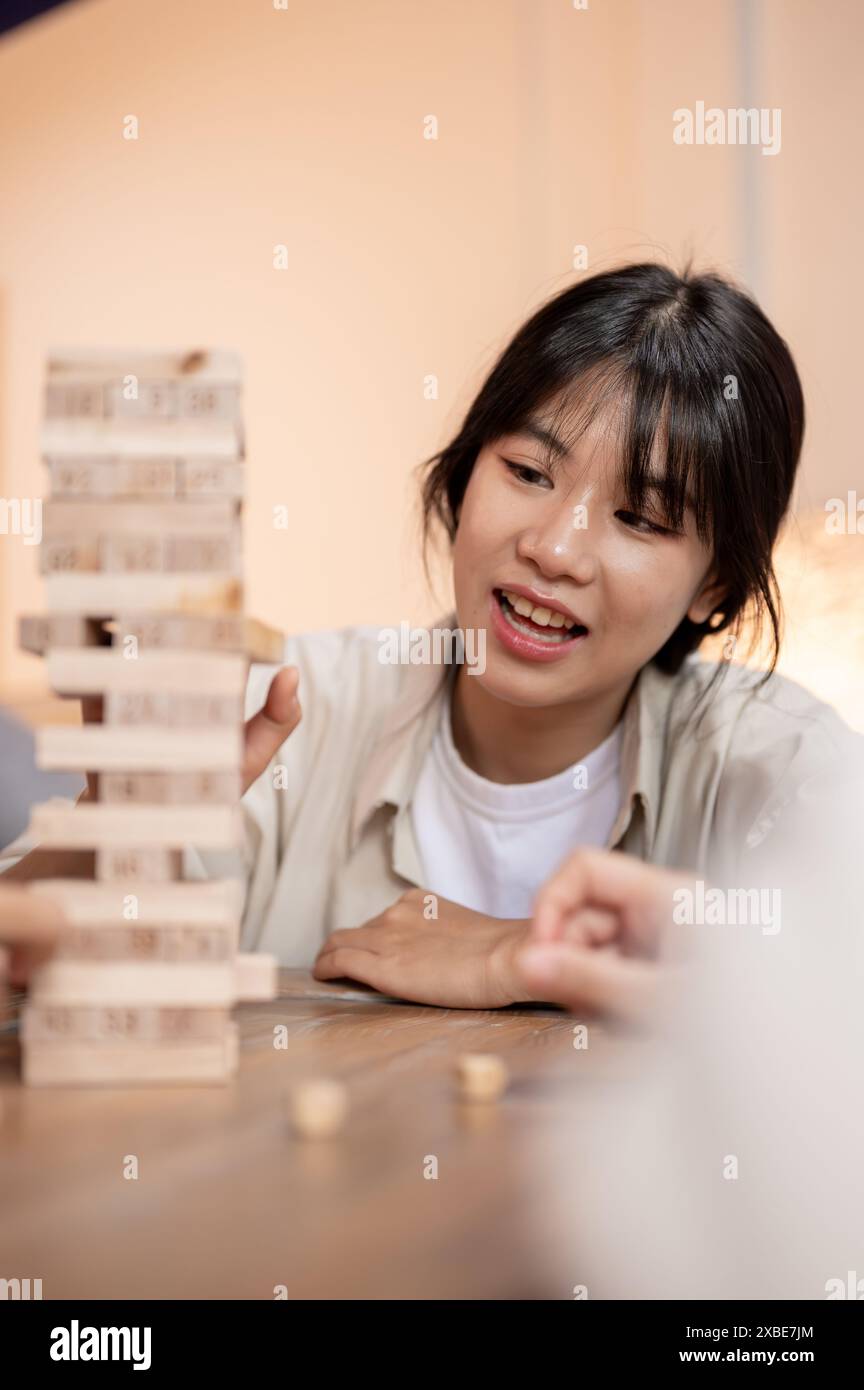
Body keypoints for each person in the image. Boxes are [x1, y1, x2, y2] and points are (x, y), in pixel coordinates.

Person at [8, 263, 862, 1013]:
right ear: (464, 473)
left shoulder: (770, 761)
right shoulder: (293, 706)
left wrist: (526, 954)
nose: (553, 550)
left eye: (639, 517)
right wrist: (119, 827)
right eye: (528, 473)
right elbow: (22, 951)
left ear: (714, 582)